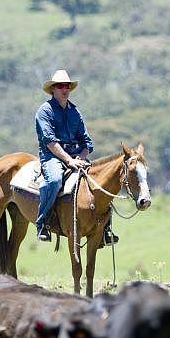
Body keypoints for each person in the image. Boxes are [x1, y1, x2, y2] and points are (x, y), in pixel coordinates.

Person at [34, 69, 118, 245]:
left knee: (100, 182)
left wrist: (81, 156)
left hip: (76, 157)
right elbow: (50, 142)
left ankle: (105, 229)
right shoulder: (45, 111)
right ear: (53, 89)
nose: (64, 89)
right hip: (53, 157)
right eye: (60, 86)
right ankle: (42, 222)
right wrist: (69, 160)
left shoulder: (75, 112)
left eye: (67, 86)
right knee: (55, 180)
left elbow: (87, 142)